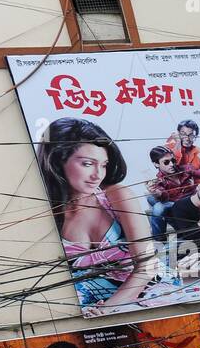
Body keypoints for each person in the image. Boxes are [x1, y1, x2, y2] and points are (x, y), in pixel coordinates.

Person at [36, 117, 160, 314]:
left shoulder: (116, 195)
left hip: (145, 294)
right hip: (83, 307)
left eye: (103, 165)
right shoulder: (42, 213)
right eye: (87, 164)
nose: (98, 174)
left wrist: (108, 309)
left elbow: (147, 267)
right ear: (57, 161)